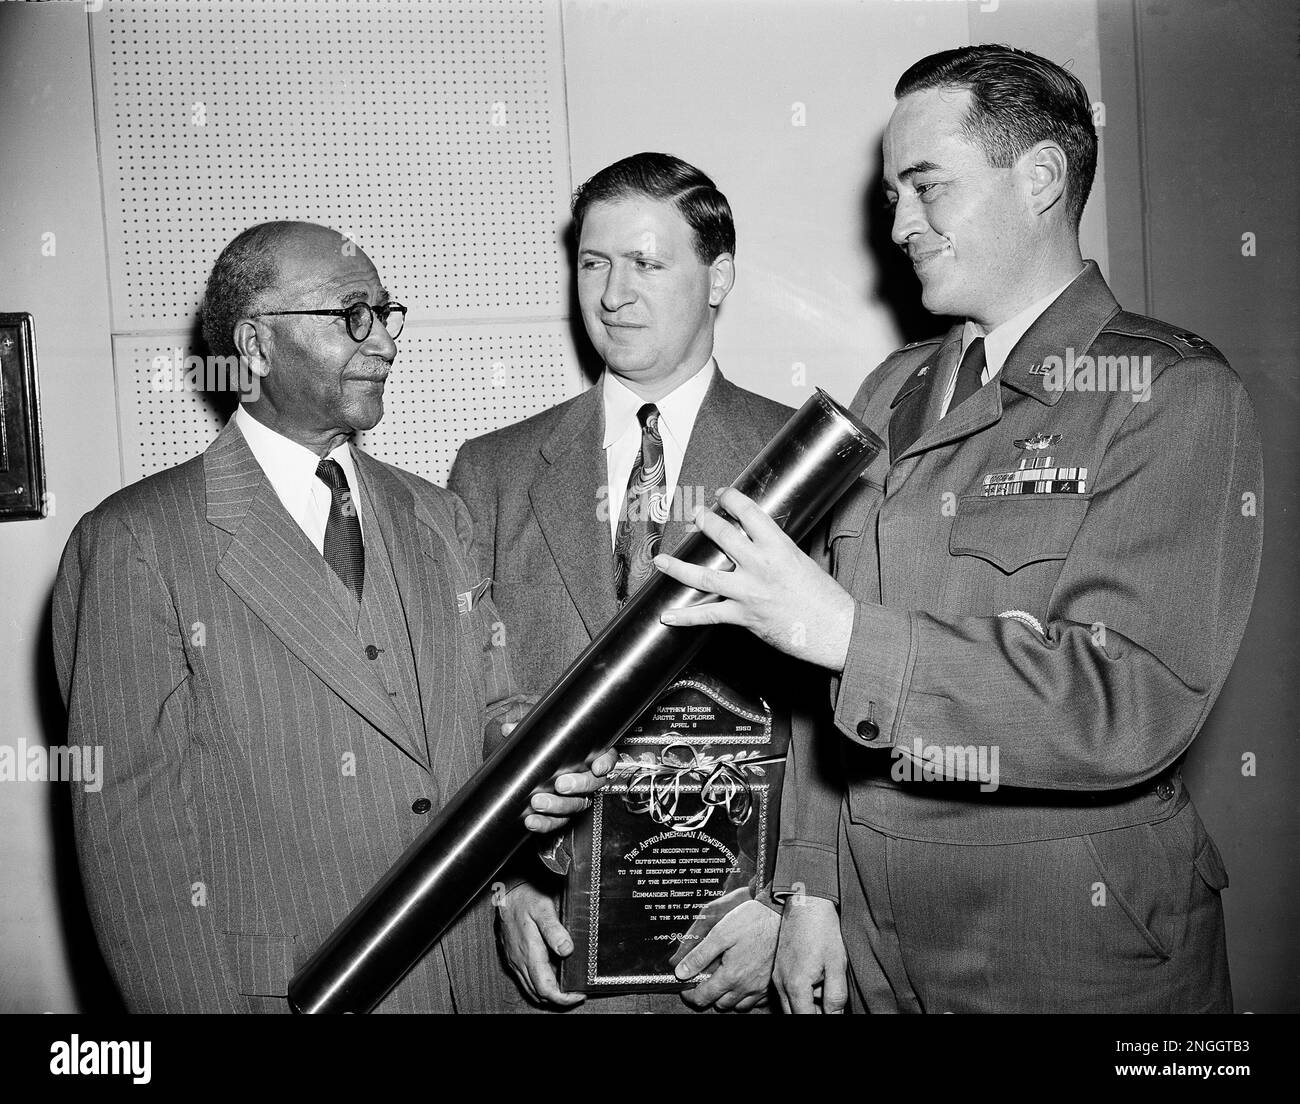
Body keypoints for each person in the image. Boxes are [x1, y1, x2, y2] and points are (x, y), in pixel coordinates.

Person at [655, 46, 1262, 1013]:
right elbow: (826, 696)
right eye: (894, 192)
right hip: (884, 939)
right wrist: (812, 884)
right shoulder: (892, 389)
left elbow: (1127, 701)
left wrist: (848, 635)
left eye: (927, 187)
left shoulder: (1164, 392)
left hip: (1075, 946)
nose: (899, 225)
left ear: (1042, 179)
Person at [53, 220, 609, 1013]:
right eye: (353, 314)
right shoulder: (136, 543)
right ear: (254, 343)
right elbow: (133, 852)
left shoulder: (436, 515)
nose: (383, 341)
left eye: (387, 313)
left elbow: (492, 713)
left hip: (476, 988)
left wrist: (544, 769)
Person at [450, 153, 800, 1013]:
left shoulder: (805, 465)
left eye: (647, 263)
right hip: (555, 963)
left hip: (733, 957)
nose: (612, 295)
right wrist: (508, 885)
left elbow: (843, 716)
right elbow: (460, 708)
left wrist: (790, 910)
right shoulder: (489, 473)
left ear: (718, 278)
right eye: (593, 263)